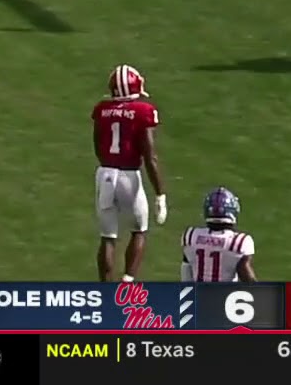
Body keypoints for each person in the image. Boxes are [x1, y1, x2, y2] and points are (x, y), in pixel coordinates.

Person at [92, 64, 168, 282]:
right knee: (139, 229)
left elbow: (97, 145)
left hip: (105, 173)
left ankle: (104, 289)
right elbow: (150, 155)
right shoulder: (143, 111)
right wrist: (160, 193)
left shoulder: (102, 109)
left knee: (107, 237)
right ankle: (127, 282)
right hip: (128, 175)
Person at [181, 187, 257, 283]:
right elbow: (247, 279)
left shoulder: (190, 236)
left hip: (197, 294)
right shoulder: (239, 242)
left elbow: (186, 276)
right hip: (225, 296)